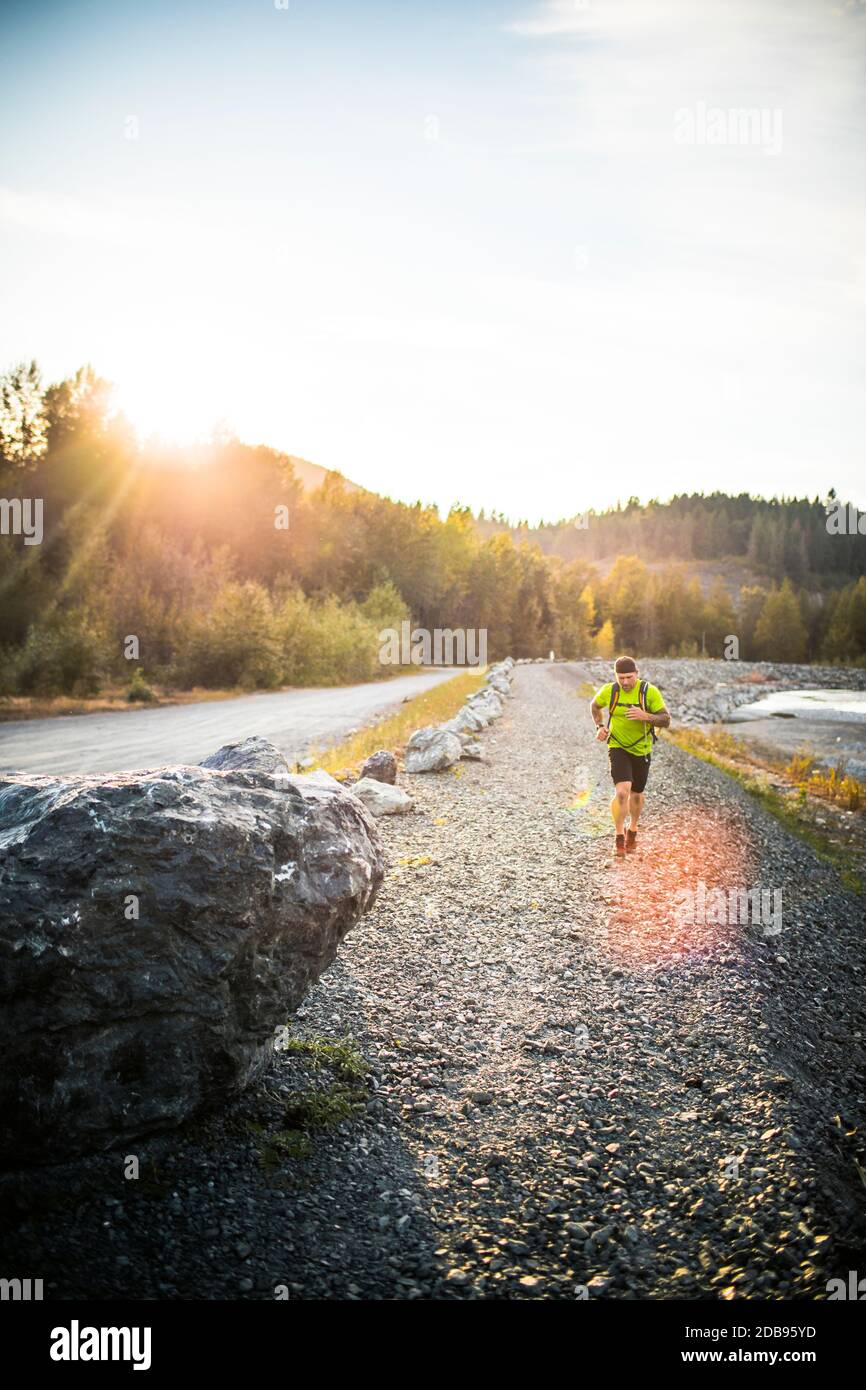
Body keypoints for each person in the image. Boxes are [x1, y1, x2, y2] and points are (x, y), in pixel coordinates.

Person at [590, 655, 670, 857]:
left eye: (629, 677)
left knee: (636, 794)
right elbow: (594, 706)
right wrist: (600, 726)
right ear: (615, 676)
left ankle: (632, 829)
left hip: (642, 749)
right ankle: (619, 836)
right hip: (618, 746)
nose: (625, 682)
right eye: (621, 678)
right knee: (622, 792)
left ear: (637, 674)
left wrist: (646, 716)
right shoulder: (610, 691)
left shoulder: (648, 692)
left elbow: (666, 720)